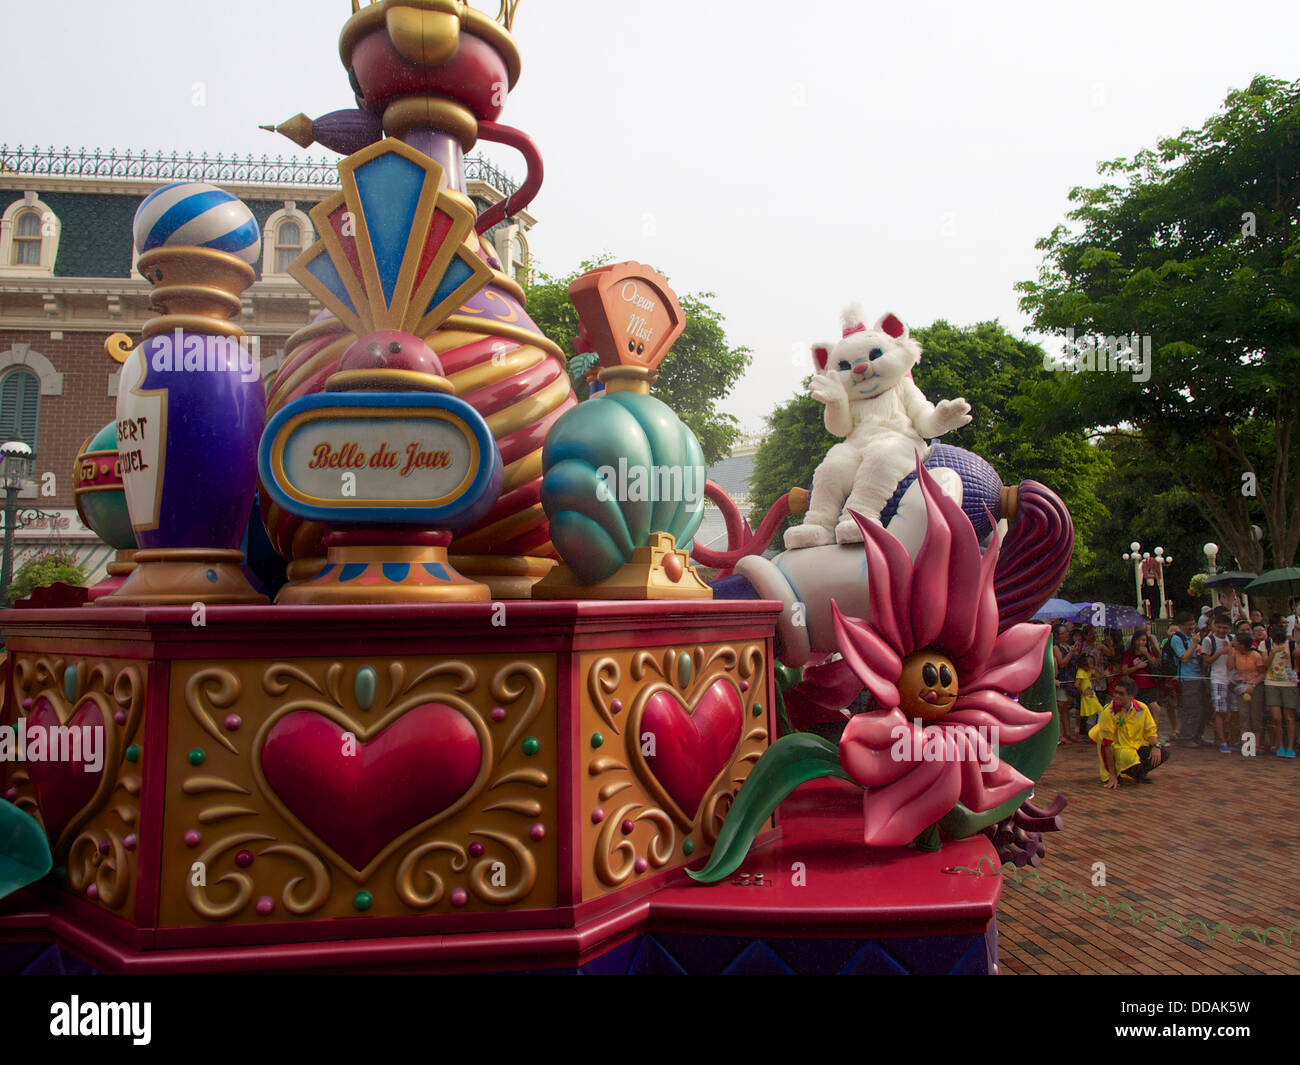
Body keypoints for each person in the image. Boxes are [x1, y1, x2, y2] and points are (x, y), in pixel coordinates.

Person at [1091, 676, 1169, 788]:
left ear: (1131, 696)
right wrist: (1112, 774)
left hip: (1137, 746)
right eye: (1116, 692)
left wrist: (1156, 746)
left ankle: (1138, 772)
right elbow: (1107, 745)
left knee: (1163, 752)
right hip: (1119, 750)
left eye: (1121, 693)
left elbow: (1150, 731)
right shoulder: (1108, 712)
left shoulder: (1142, 708)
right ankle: (1131, 772)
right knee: (1128, 758)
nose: (1116, 696)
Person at [1171, 612, 1206, 747]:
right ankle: (1186, 737)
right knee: (1192, 708)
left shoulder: (1192, 636)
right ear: (1181, 625)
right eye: (1189, 625)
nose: (1192, 627)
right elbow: (1184, 658)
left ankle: (1197, 735)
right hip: (1187, 677)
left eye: (1193, 624)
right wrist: (1194, 644)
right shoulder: (1176, 639)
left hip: (1198, 675)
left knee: (1200, 708)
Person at [1228, 632, 1267, 752]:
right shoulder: (1235, 653)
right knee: (1244, 715)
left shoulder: (1255, 655)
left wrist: (1253, 684)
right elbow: (1229, 667)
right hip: (1241, 686)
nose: (1233, 643)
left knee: (1255, 716)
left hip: (1255, 687)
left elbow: (1262, 673)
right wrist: (1230, 652)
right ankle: (1246, 745)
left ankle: (1255, 745)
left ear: (1243, 645)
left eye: (1236, 642)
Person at [1202, 612, 1235, 752]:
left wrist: (1231, 650)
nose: (1222, 630)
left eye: (1225, 628)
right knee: (1220, 711)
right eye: (1219, 627)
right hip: (1218, 678)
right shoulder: (1209, 641)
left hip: (1233, 679)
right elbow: (1206, 661)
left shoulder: (1233, 639)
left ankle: (1231, 738)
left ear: (1229, 628)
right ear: (1215, 626)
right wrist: (1222, 652)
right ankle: (1222, 741)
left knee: (1234, 711)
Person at [1263, 623, 1298, 758]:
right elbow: (1265, 664)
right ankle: (1280, 745)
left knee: (1290, 717)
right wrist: (1273, 652)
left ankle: (1290, 747)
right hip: (1271, 682)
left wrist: (1296, 670)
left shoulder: (1291, 645)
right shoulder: (1265, 644)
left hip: (1289, 683)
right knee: (1276, 718)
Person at [1122, 631, 1165, 739]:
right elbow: (1125, 670)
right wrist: (1138, 667)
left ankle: (1152, 734)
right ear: (1134, 641)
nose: (1142, 642)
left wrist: (1146, 654)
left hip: (1150, 685)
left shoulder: (1147, 652)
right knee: (1137, 711)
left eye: (1144, 640)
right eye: (1140, 640)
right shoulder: (1128, 654)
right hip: (1137, 686)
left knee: (1156, 710)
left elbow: (1155, 664)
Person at [1053, 625, 1082, 743]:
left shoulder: (1068, 646)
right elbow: (1061, 663)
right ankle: (1060, 735)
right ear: (1057, 636)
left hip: (1070, 678)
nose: (1066, 635)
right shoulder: (1056, 647)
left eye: (1067, 632)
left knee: (1067, 707)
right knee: (1061, 707)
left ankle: (1068, 732)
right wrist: (1071, 653)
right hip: (1062, 679)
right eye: (1063, 633)